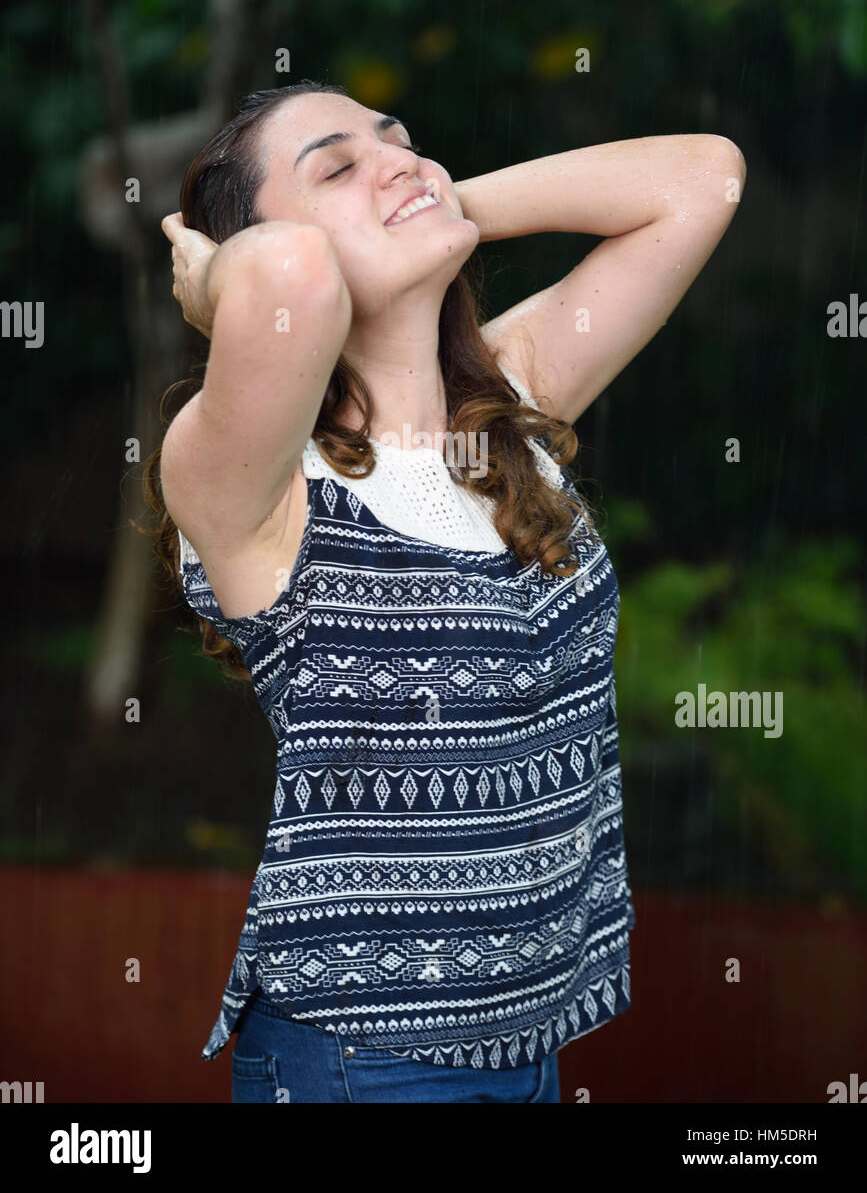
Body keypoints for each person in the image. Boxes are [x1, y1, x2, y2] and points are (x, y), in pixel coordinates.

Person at [149, 79, 745, 1103]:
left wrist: (432, 200)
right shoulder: (259, 482)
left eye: (404, 142)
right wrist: (214, 287)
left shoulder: (507, 402)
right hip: (359, 1058)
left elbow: (705, 178)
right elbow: (286, 275)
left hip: (530, 1043)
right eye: (335, 167)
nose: (398, 160)